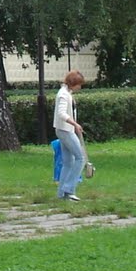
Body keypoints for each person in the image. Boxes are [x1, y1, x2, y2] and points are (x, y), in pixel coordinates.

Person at [54, 69, 91, 202]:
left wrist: (74, 126)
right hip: (65, 130)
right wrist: (75, 124)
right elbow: (61, 113)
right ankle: (69, 190)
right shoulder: (63, 95)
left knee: (68, 162)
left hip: (65, 130)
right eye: (79, 84)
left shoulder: (66, 93)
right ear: (72, 83)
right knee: (80, 158)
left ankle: (61, 194)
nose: (80, 87)